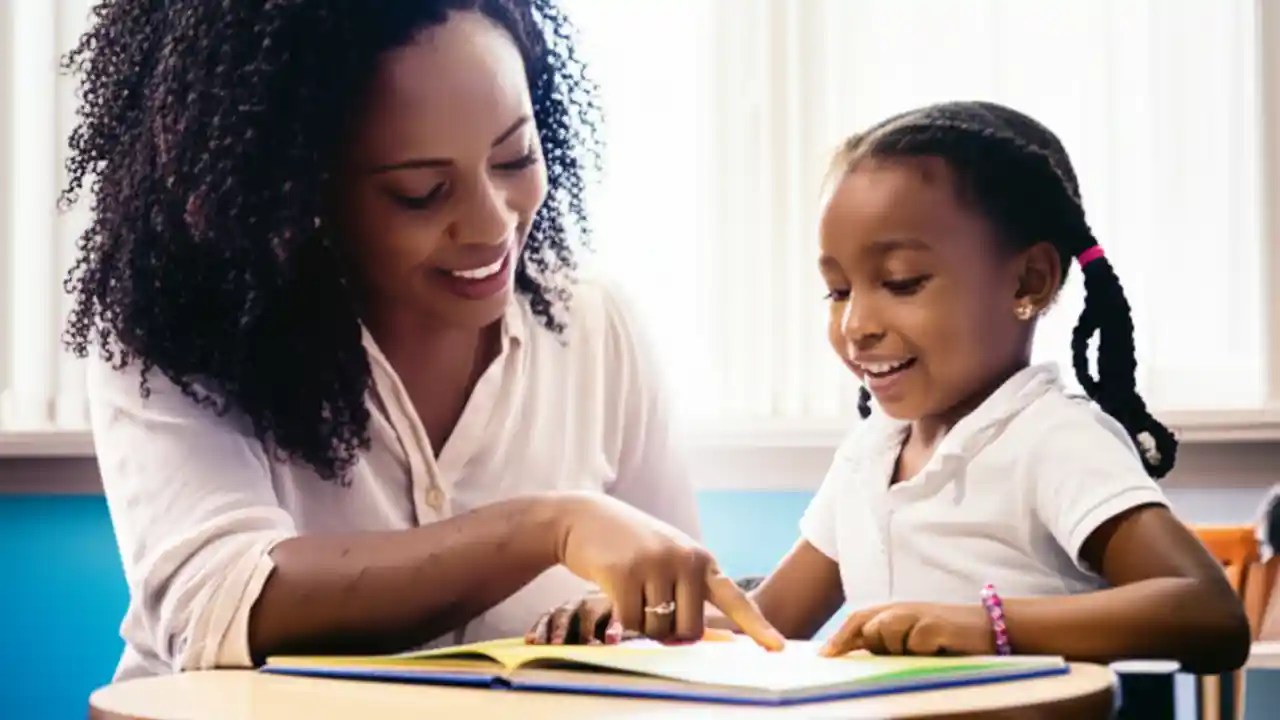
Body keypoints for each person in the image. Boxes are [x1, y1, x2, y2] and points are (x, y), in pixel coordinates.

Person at [62, 0, 782, 681]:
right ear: (298, 189)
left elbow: (673, 615)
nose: (491, 224)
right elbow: (224, 602)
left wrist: (643, 617)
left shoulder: (598, 327)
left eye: (514, 159)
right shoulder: (180, 337)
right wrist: (549, 526)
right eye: (420, 192)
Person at [528, 101, 1251, 674]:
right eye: (837, 292)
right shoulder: (871, 454)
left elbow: (1211, 616)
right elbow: (773, 621)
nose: (857, 324)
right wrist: (632, 622)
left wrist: (989, 625)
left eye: (901, 283)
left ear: (1029, 280)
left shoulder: (1052, 440)